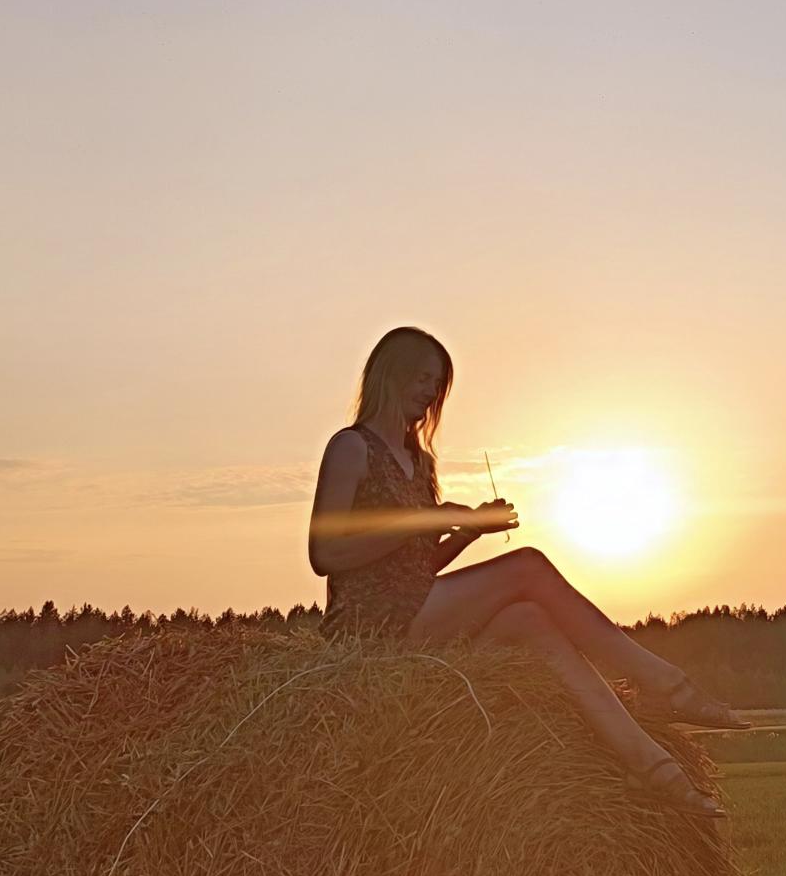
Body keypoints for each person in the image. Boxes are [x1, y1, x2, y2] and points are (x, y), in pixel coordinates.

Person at [308, 326, 744, 818]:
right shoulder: (351, 448)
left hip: (417, 612)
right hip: (368, 631)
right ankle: (665, 685)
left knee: (533, 619)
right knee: (529, 567)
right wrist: (425, 519)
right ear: (391, 374)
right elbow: (325, 554)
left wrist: (470, 529)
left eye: (438, 383)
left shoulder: (418, 461)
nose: (430, 391)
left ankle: (653, 768)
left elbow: (414, 566)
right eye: (423, 377)